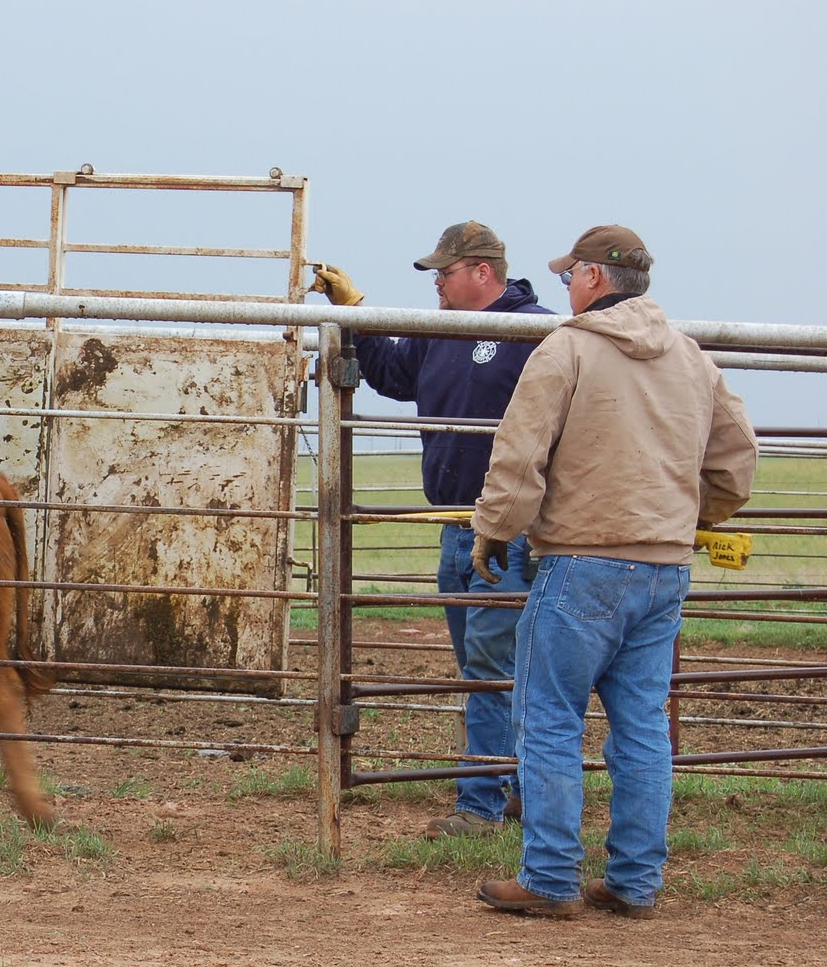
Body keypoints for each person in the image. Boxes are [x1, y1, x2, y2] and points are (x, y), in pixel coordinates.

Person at [471, 225, 758, 918]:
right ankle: (633, 882)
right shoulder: (692, 360)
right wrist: (691, 518)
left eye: (571, 274)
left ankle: (548, 878)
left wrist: (494, 529)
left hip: (582, 560)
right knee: (640, 726)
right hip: (663, 568)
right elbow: (736, 461)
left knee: (547, 719)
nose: (566, 285)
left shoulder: (567, 350)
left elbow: (520, 453)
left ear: (595, 279)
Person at [310, 222, 552, 837]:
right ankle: (521, 785)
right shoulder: (442, 331)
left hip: (508, 527)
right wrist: (356, 313)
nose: (437, 284)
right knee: (492, 662)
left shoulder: (536, 333)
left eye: (443, 272)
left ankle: (481, 805)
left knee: (490, 662)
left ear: (481, 271)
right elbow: (392, 371)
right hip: (453, 523)